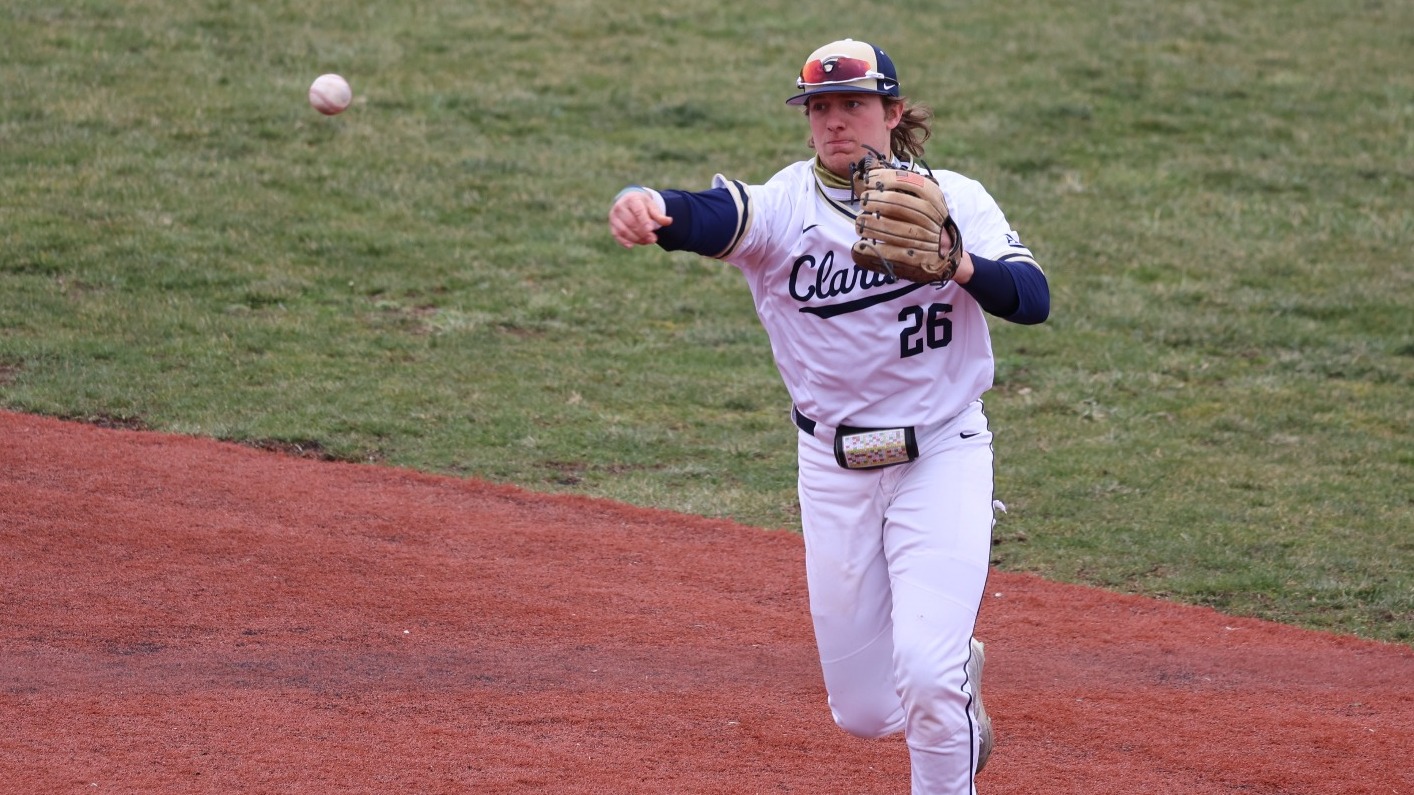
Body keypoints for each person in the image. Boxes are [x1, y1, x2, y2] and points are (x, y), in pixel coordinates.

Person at [608, 38, 1049, 795]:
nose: (836, 122)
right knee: (868, 711)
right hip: (833, 471)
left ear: (893, 112)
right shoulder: (786, 207)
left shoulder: (954, 200)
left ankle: (949, 696)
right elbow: (718, 215)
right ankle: (957, 687)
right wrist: (659, 210)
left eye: (854, 104)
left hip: (942, 456)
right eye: (821, 109)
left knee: (926, 674)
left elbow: (1033, 300)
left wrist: (958, 263)